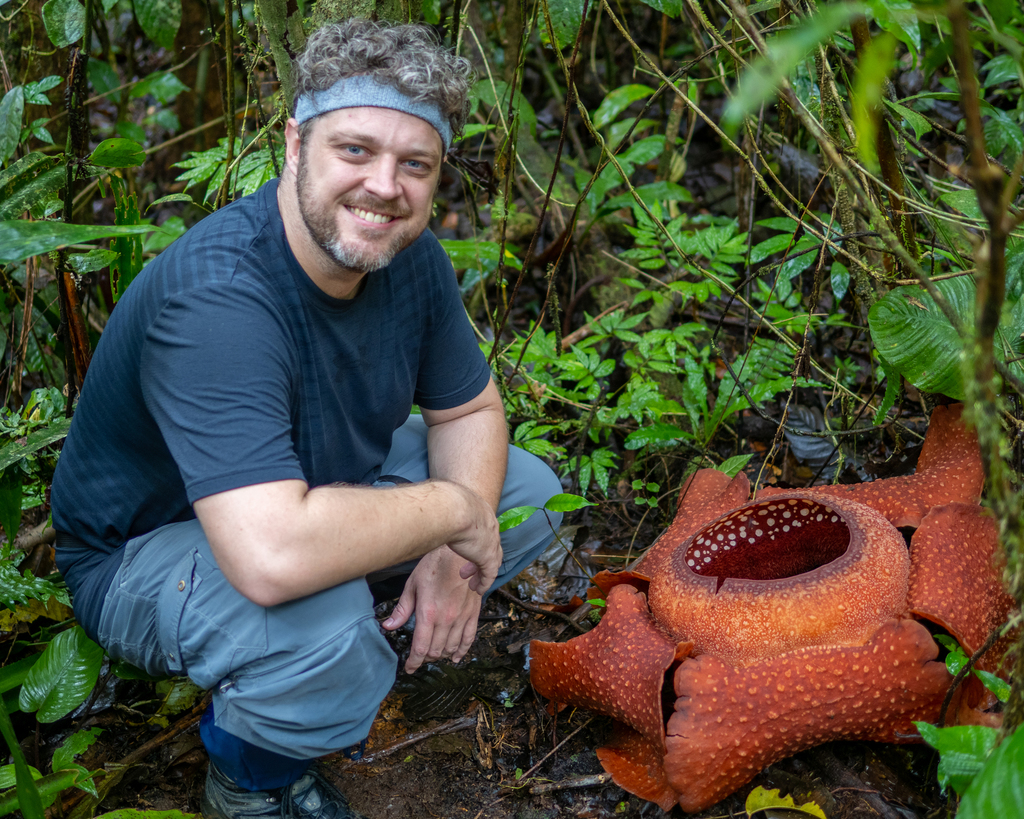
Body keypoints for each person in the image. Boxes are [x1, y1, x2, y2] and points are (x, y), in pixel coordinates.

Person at [50, 19, 563, 819]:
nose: (384, 186)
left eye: (415, 164)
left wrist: (450, 552)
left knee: (527, 493)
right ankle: (249, 775)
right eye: (355, 150)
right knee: (328, 625)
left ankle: (355, 644)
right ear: (295, 145)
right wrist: (454, 513)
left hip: (304, 489)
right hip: (150, 550)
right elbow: (271, 556)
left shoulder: (408, 257)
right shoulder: (219, 298)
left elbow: (470, 408)